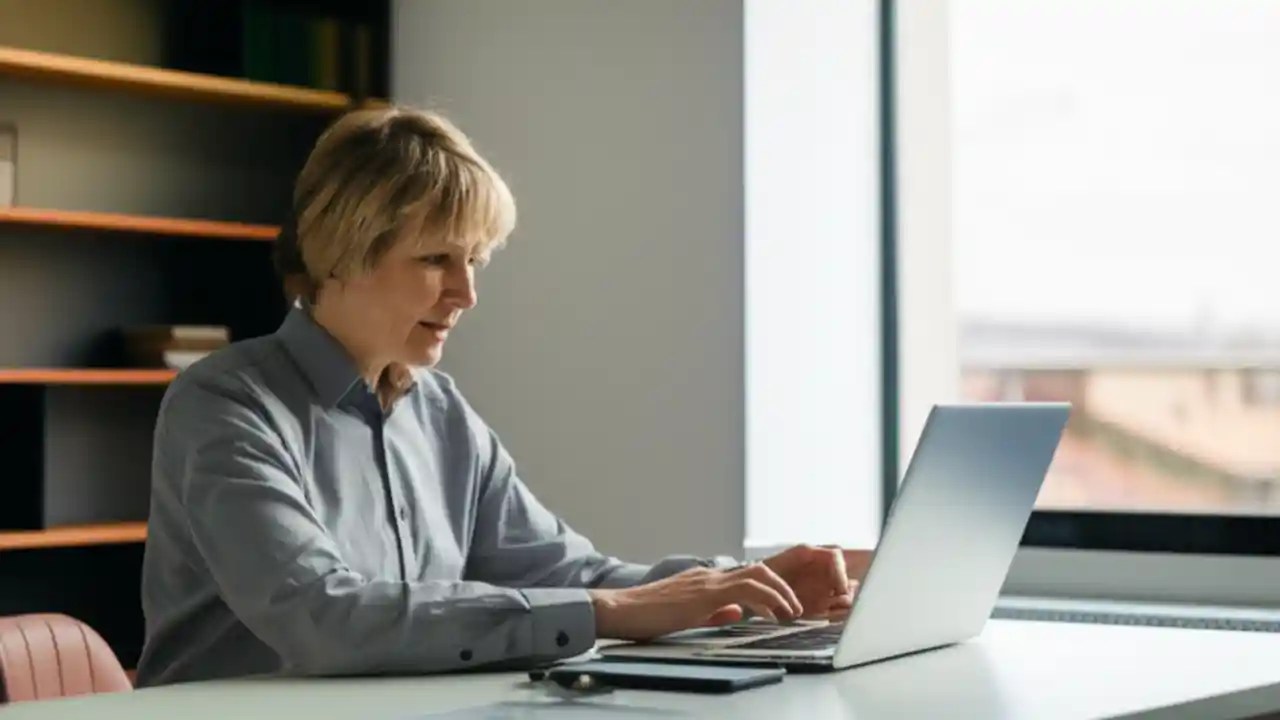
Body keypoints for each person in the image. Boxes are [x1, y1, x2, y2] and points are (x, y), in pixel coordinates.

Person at [137, 107, 871, 687]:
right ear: (342, 250)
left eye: (476, 260)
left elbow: (568, 574)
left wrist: (747, 585)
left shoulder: (440, 412)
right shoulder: (226, 404)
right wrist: (609, 613)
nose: (467, 293)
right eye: (436, 259)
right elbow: (321, 615)